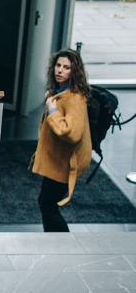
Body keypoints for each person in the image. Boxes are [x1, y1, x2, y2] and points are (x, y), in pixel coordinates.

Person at [31, 49, 92, 232]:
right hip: (58, 161)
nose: (60, 70)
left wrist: (52, 110)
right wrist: (53, 99)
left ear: (74, 72)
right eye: (58, 65)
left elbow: (72, 134)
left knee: (48, 206)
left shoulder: (74, 99)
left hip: (65, 164)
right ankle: (55, 242)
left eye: (66, 68)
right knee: (45, 202)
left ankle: (61, 243)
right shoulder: (62, 92)